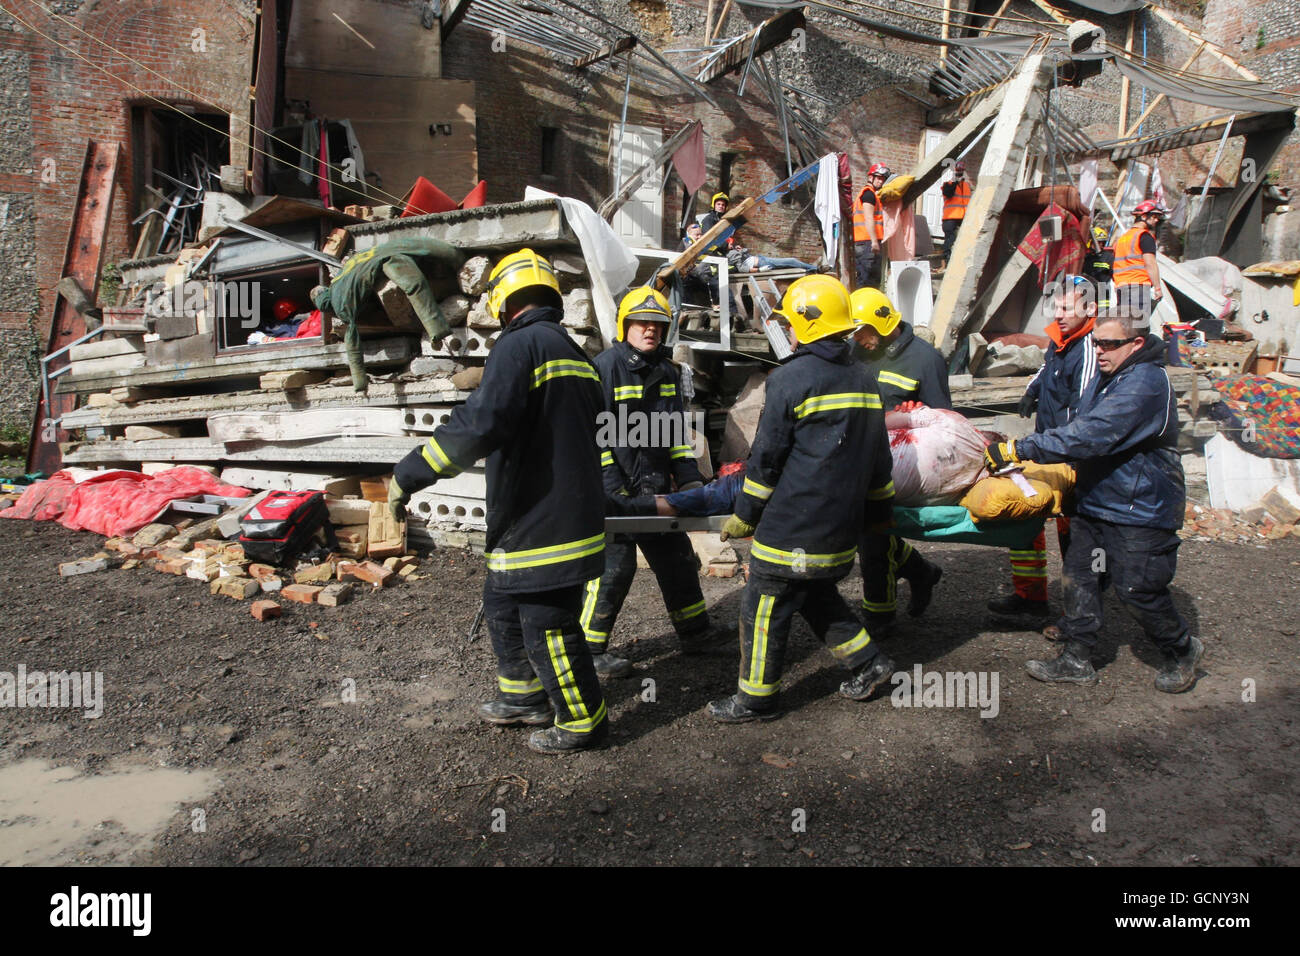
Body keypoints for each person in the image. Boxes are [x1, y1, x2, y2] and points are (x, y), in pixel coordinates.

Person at [388, 249, 610, 753]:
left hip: (541, 520)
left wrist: (410, 473)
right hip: (555, 515)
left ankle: (583, 720)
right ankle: (524, 697)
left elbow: (482, 424)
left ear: (503, 302)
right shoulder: (579, 358)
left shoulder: (520, 347)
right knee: (502, 602)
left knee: (546, 621)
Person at [706, 274, 897, 723]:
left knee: (764, 604)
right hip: (838, 527)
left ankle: (755, 700)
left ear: (808, 325)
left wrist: (745, 514)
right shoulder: (866, 380)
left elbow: (766, 461)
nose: (788, 330)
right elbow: (879, 462)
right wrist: (879, 514)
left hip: (793, 523)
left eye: (791, 322)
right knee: (812, 592)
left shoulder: (791, 379)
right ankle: (870, 663)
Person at [984, 312, 1203, 693]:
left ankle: (1181, 648)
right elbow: (1076, 422)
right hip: (1098, 499)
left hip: (1139, 506)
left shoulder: (1145, 383)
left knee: (1138, 588)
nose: (1099, 351)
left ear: (1136, 344)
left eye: (1109, 344)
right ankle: (1077, 657)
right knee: (1081, 575)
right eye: (1096, 343)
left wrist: (1021, 448)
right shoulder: (1109, 376)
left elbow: (1093, 434)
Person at [582, 288, 717, 674]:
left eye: (658, 324)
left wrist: (690, 480)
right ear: (625, 325)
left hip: (655, 488)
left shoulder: (668, 372)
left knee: (677, 559)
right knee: (614, 568)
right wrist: (612, 490)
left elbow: (674, 435)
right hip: (616, 492)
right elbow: (597, 438)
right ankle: (590, 652)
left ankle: (696, 635)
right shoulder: (605, 367)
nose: (650, 330)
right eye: (642, 322)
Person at [988, 275, 1100, 622]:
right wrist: (1032, 390)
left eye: (1068, 307)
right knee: (1029, 518)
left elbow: (1085, 412)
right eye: (1057, 306)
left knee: (1072, 537)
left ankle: (1076, 611)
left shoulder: (1089, 349)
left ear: (1090, 308)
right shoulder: (1060, 340)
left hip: (1070, 457)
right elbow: (1045, 367)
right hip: (1045, 446)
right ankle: (1031, 597)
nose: (1060, 313)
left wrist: (1063, 450)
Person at [849, 287, 946, 635]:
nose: (858, 339)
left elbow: (942, 420)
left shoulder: (925, 360)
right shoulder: (855, 351)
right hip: (860, 458)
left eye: (862, 332)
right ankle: (921, 573)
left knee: (873, 535)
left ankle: (880, 619)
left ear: (882, 323)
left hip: (901, 463)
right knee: (866, 531)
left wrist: (915, 413)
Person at [310, 237, 462, 392]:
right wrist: (459, 258)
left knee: (414, 285)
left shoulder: (338, 294)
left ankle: (437, 331)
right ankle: (436, 331)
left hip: (379, 260)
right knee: (414, 285)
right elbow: (425, 250)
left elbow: (353, 346)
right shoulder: (346, 274)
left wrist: (360, 383)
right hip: (384, 254)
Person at [1112, 200, 1166, 325]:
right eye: (1153, 216)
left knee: (1125, 325)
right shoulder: (1144, 236)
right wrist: (1158, 288)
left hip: (1122, 287)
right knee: (1139, 326)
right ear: (1143, 216)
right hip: (1138, 286)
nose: (1156, 220)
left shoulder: (1122, 239)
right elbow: (1150, 263)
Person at [852, 163, 889, 288]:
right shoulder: (868, 194)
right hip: (868, 243)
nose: (881, 181)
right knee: (868, 281)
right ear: (871, 177)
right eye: (878, 178)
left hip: (862, 243)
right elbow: (869, 218)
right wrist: (874, 242)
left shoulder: (867, 194)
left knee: (864, 278)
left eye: (883, 179)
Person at [939, 160, 971, 268]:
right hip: (950, 218)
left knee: (963, 240)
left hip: (963, 218)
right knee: (950, 240)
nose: (959, 174)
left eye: (960, 171)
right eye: (957, 171)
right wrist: (955, 181)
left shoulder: (966, 186)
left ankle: (959, 262)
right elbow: (948, 193)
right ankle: (947, 262)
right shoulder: (948, 185)